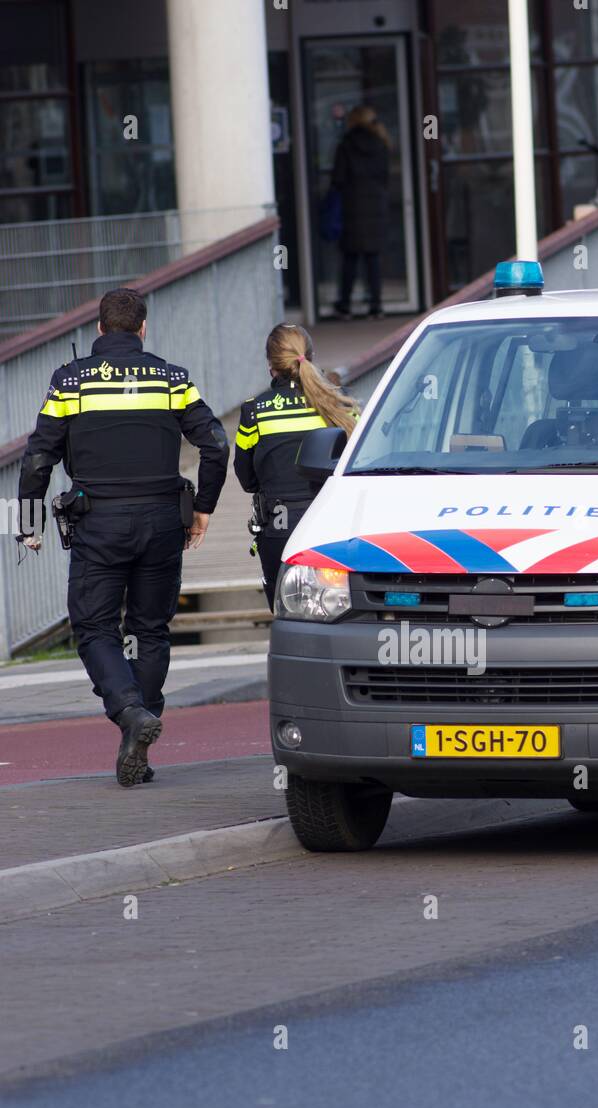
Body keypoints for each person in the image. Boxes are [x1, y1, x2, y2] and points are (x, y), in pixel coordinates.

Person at [17, 287, 229, 787]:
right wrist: (203, 510)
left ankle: (131, 713)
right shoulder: (172, 378)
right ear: (143, 328)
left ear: (98, 329)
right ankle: (140, 737)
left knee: (93, 629)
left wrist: (26, 523)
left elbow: (38, 456)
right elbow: (215, 445)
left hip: (100, 525)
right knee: (150, 630)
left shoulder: (70, 381)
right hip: (162, 522)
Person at [233, 324, 360, 610]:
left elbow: (246, 478)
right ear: (311, 357)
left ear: (270, 365)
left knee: (286, 613)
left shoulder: (255, 410)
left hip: (279, 528)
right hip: (333, 524)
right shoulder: (342, 402)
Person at [331, 105, 390, 320]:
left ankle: (345, 305)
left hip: (352, 206)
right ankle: (376, 306)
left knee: (350, 259)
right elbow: (385, 176)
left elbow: (338, 178)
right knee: (373, 259)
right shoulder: (381, 143)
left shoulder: (346, 144)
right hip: (375, 207)